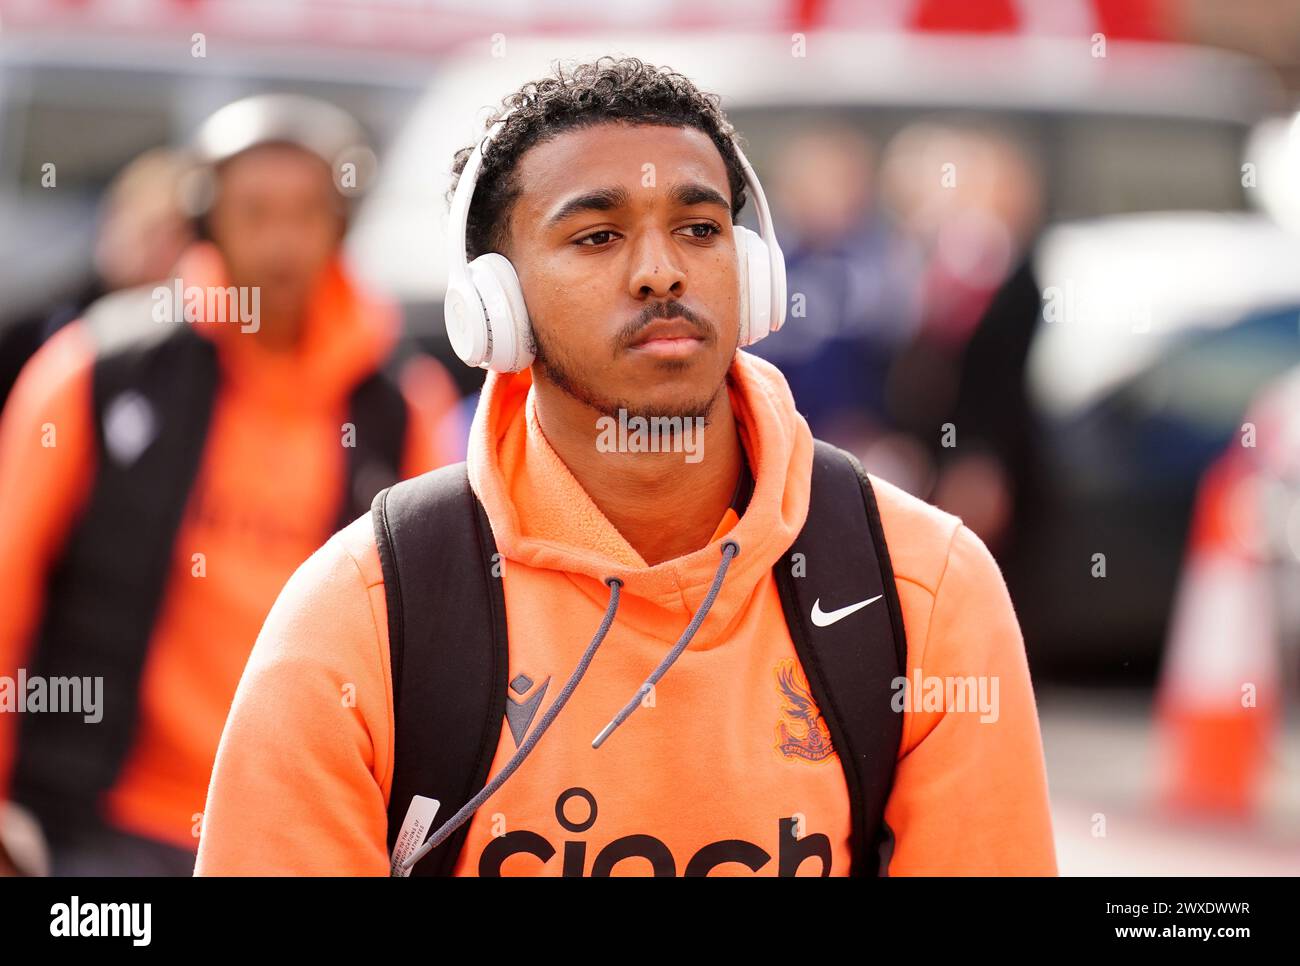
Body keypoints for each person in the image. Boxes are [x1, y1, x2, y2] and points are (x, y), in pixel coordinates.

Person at [195, 58, 1056, 876]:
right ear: (496, 308)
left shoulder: (926, 589)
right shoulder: (362, 614)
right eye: (599, 235)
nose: (660, 272)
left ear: (751, 274)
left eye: (699, 229)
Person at [0, 94, 453, 876]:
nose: (281, 241)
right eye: (254, 212)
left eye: (305, 212)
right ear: (208, 223)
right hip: (102, 822)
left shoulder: (399, 408)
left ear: (340, 226)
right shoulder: (97, 371)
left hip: (296, 823)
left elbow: (428, 635)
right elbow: (7, 587)